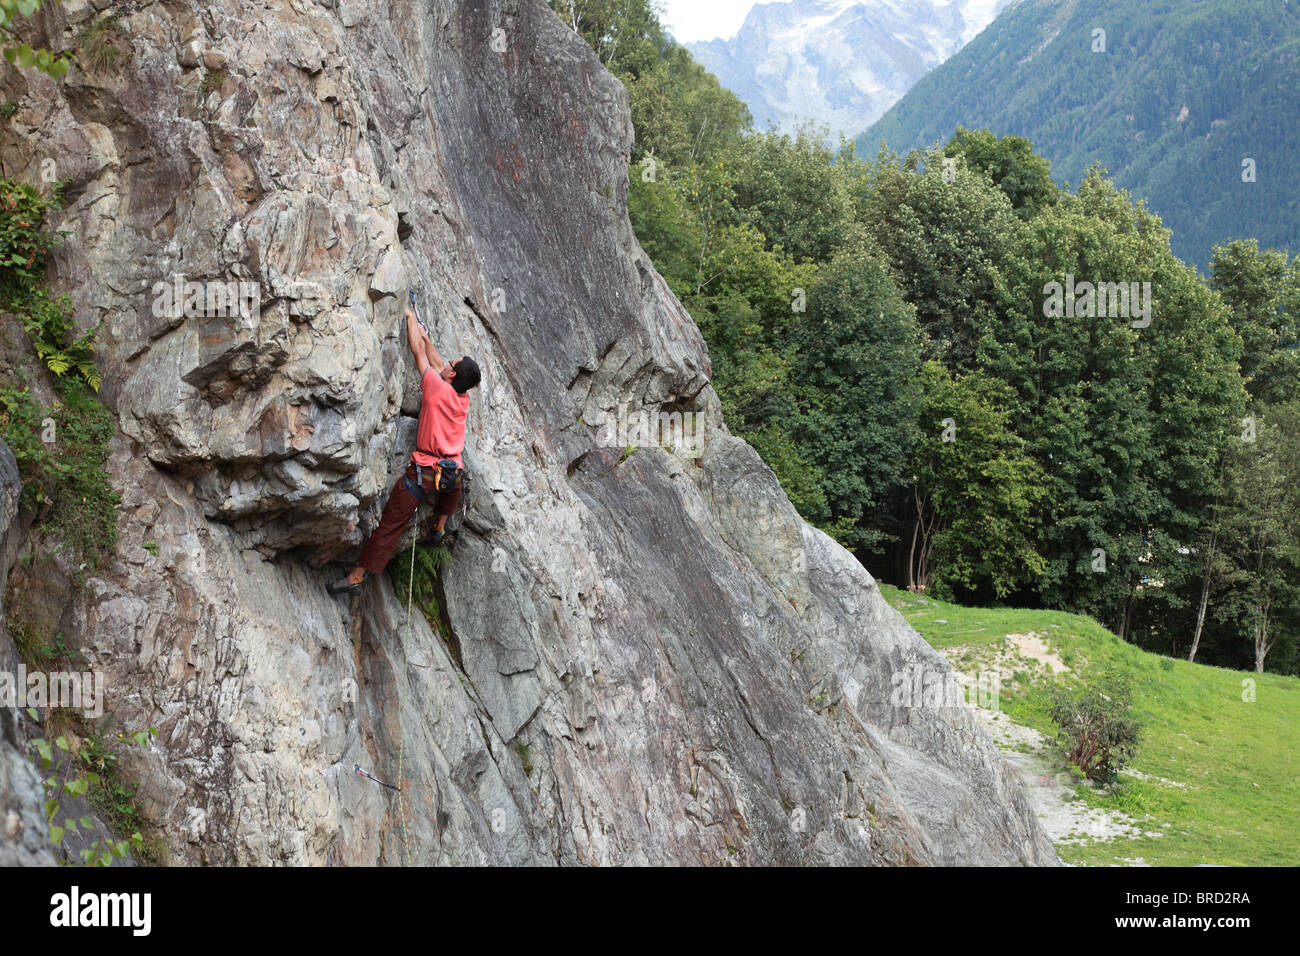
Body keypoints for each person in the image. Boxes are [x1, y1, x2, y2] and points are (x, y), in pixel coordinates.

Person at [328, 306, 481, 595]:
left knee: (390, 524)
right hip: (450, 475)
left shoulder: (436, 388)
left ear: (451, 374)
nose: (447, 363)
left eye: (451, 364)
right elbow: (438, 361)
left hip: (422, 474)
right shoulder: (462, 399)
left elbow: (419, 354)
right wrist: (428, 336)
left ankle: (356, 577)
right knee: (455, 483)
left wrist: (411, 320)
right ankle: (439, 525)